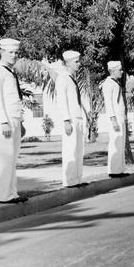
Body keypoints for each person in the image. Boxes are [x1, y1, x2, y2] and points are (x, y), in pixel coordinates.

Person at [0, 38, 27, 203]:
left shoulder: (9, 71)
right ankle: (3, 196)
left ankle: (12, 194)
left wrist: (21, 121)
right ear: (1, 52)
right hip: (5, 120)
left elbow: (14, 98)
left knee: (12, 159)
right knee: (5, 159)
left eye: (16, 52)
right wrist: (3, 122)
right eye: (10, 52)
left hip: (14, 118)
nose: (14, 55)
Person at [56, 50, 87, 188]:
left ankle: (77, 179)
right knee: (70, 150)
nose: (79, 64)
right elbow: (62, 101)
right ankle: (69, 181)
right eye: (76, 62)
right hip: (71, 119)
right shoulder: (62, 78)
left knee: (79, 150)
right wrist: (66, 120)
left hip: (78, 117)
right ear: (68, 63)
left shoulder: (71, 79)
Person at [101, 60, 128, 177]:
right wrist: (113, 119)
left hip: (119, 116)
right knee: (115, 143)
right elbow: (108, 103)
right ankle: (114, 171)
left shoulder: (115, 83)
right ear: (112, 71)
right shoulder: (108, 84)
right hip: (115, 118)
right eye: (119, 70)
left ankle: (119, 170)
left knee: (120, 143)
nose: (122, 72)